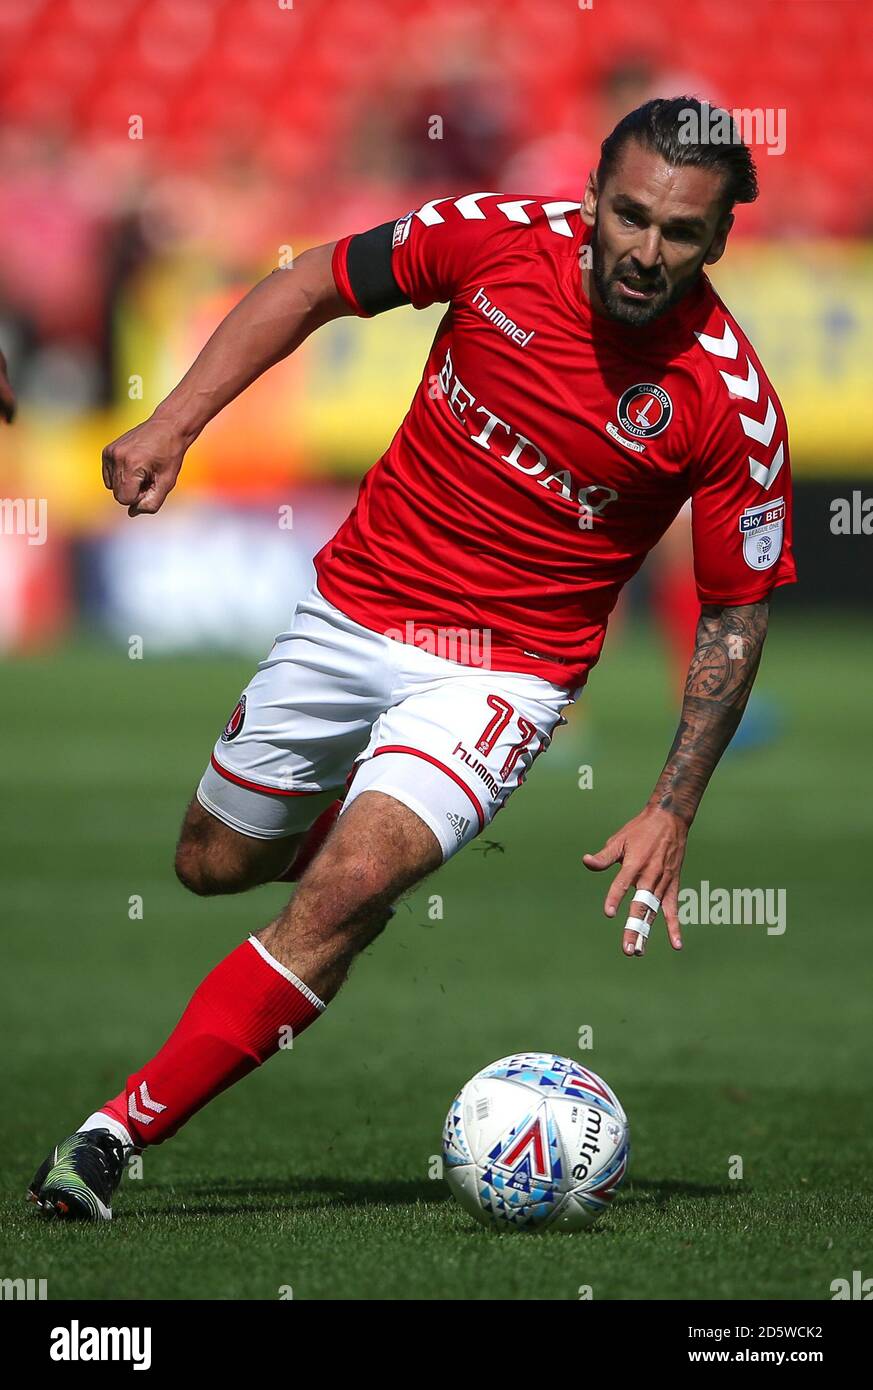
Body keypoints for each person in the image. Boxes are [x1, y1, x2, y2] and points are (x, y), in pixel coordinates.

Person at [29, 98, 795, 1221]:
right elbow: (310, 286)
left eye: (680, 232)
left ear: (718, 240)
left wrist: (673, 806)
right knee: (212, 864)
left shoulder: (729, 403)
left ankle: (106, 1140)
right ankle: (358, 861)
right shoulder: (491, 236)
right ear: (591, 197)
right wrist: (174, 423)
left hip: (504, 677)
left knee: (344, 888)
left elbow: (733, 615)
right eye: (629, 215)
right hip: (354, 610)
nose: (646, 249)